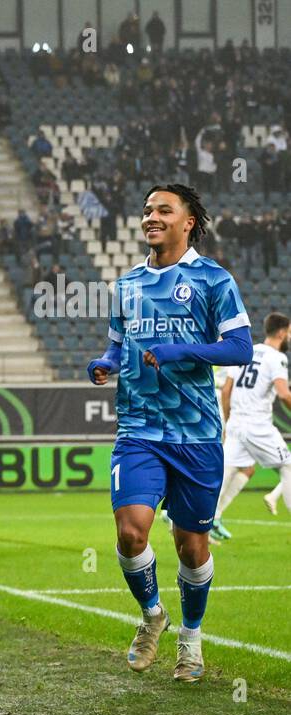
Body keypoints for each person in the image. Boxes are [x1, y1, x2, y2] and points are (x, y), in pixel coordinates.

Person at [86, 184, 253, 683]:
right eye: (146, 211)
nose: (151, 217)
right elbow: (118, 347)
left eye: (163, 210)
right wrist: (106, 364)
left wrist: (182, 351)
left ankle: (192, 636)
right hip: (138, 428)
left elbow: (240, 348)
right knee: (131, 530)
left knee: (191, 545)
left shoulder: (213, 280)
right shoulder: (127, 285)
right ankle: (153, 614)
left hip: (197, 434)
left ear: (189, 223)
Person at [212, 312, 291, 536]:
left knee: (225, 472)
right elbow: (284, 394)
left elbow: (227, 390)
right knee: (288, 467)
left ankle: (204, 517)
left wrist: (228, 424)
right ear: (282, 332)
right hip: (259, 426)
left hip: (236, 423)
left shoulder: (247, 350)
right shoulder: (278, 358)